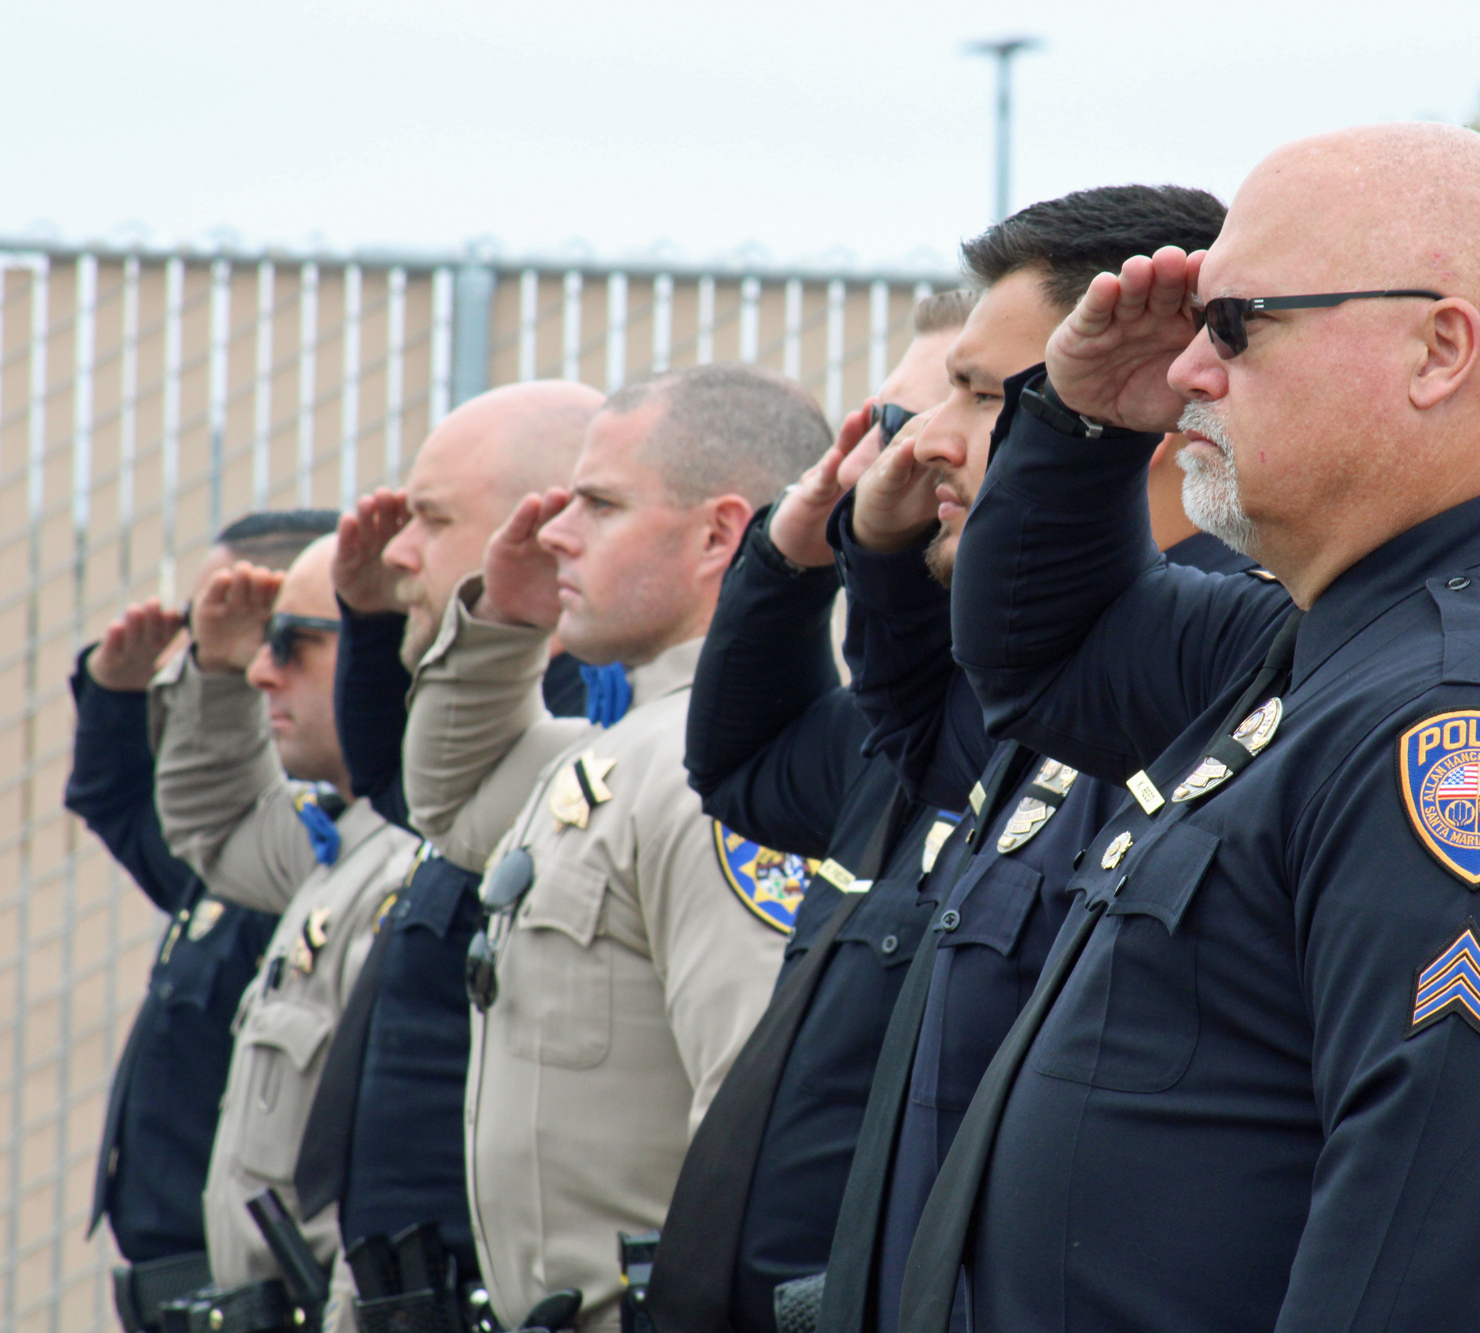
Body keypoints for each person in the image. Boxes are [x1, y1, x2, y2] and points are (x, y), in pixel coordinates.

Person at [896, 123, 1480, 1333]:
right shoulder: (1337, 641)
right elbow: (1045, 657)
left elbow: (1417, 1264)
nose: (1186, 371)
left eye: (1234, 325)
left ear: (1437, 350)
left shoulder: (1465, 715)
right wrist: (1076, 423)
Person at [812, 184, 1276, 1333]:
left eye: (985, 396)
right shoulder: (1093, 672)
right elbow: (914, 736)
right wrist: (857, 558)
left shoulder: (1211, 670)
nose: (928, 439)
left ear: (1151, 393)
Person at [400, 363, 832, 1332]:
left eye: (598, 504)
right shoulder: (634, 746)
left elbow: (755, 1107)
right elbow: (454, 798)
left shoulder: (717, 771)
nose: (555, 531)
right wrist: (506, 622)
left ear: (718, 535)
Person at [650, 290, 974, 1333]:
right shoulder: (923, 718)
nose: (893, 458)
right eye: (885, 424)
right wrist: (791, 556)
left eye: (956, 408)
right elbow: (739, 767)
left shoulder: (1091, 722)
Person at [292, 381, 601, 1331]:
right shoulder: (507, 730)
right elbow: (416, 794)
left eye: (431, 519)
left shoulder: (592, 721)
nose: (399, 551)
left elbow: (440, 793)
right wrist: (373, 621)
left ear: (541, 525)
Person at [67, 511, 334, 1330]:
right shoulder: (243, 849)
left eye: (220, 624)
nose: (197, 650)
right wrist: (117, 693)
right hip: (182, 1292)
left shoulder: (315, 851)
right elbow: (130, 811)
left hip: (259, 1292)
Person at [152, 536, 421, 1331]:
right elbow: (217, 819)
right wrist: (213, 673)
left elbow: (391, 1171)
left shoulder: (412, 854)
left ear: (390, 640)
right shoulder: (348, 839)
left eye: (293, 642)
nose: (263, 671)